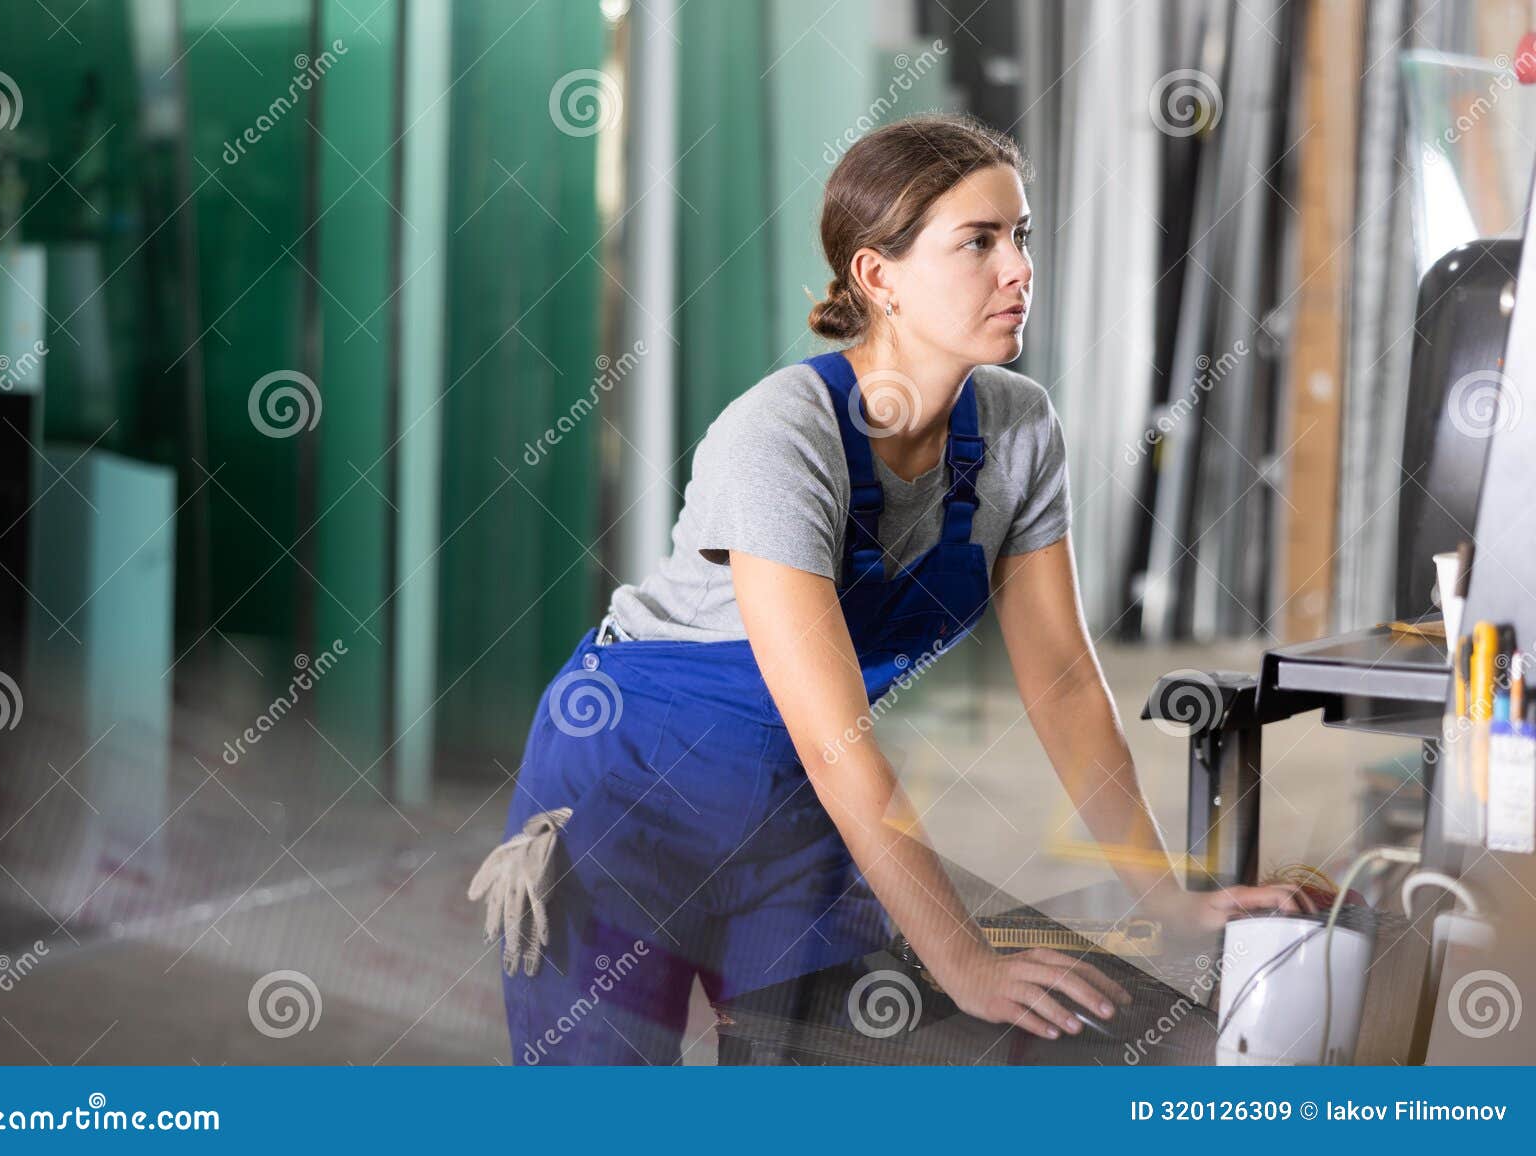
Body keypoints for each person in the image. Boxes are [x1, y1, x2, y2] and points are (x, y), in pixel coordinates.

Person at [470, 112, 1301, 1065]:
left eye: (1021, 234)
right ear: (878, 276)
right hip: (632, 803)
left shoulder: (1019, 428)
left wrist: (1165, 900)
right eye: (979, 241)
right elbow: (836, 740)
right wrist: (964, 959)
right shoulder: (780, 436)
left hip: (797, 817)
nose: (1019, 269)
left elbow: (1067, 682)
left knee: (828, 1072)